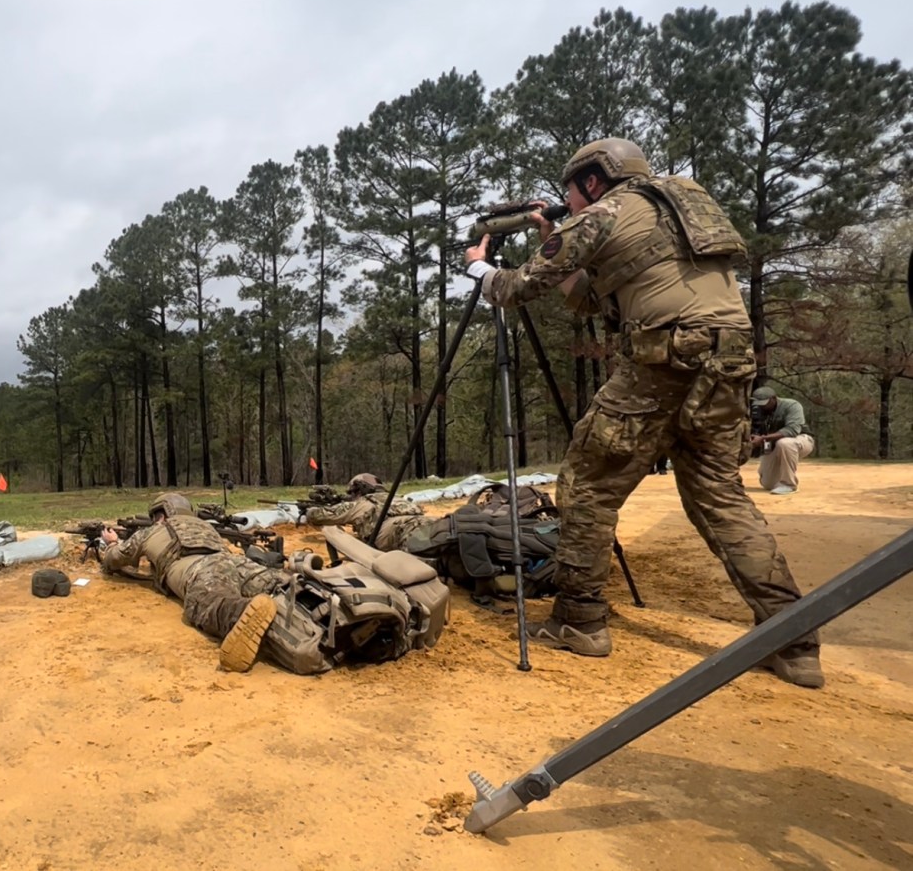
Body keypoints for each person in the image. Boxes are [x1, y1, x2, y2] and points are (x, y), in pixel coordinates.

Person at [462, 137, 823, 688]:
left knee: (588, 483)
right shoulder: (679, 205)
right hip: (730, 360)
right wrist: (554, 242)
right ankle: (794, 639)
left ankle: (580, 620)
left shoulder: (605, 210)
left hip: (665, 357)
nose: (569, 202)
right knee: (721, 497)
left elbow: (513, 289)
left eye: (570, 192)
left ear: (591, 181)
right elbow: (590, 298)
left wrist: (479, 269)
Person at [100, 492, 283, 672]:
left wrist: (111, 543)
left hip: (201, 569)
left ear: (162, 515)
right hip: (237, 562)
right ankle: (302, 588)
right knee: (278, 585)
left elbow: (113, 560)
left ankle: (242, 610)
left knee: (212, 602)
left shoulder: (149, 532)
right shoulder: (206, 526)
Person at [303, 473, 432, 551]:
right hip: (431, 525)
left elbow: (319, 515)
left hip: (407, 536)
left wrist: (309, 510)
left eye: (352, 494)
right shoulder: (399, 499)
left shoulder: (362, 504)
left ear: (359, 491)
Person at [750, 386, 814, 495]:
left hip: (800, 440)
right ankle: (778, 481)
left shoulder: (791, 405)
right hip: (771, 444)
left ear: (774, 398)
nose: (763, 406)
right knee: (768, 484)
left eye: (765, 403)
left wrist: (763, 438)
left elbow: (792, 430)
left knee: (785, 443)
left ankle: (789, 484)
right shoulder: (756, 411)